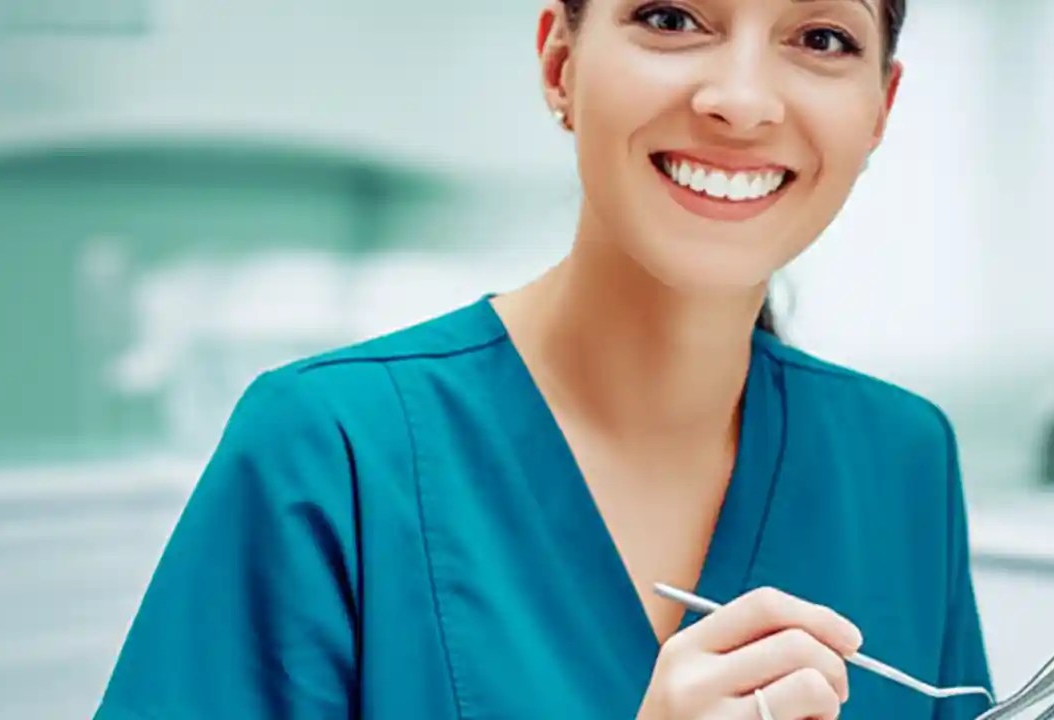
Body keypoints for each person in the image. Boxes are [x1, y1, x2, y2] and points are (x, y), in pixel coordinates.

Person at [95, 0, 994, 718]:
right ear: (560, 64)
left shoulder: (904, 460)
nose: (743, 99)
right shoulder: (330, 451)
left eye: (822, 36)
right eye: (672, 18)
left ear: (880, 109)